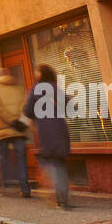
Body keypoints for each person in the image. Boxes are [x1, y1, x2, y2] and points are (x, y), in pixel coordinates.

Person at [23, 63, 72, 209]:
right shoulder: (55, 88)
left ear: (41, 74)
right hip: (61, 128)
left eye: (37, 72)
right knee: (60, 162)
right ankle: (63, 196)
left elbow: (27, 110)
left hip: (46, 129)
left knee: (50, 163)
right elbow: (70, 105)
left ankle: (60, 196)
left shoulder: (36, 90)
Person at [0, 67, 31, 198]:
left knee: (3, 158)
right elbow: (25, 106)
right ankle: (25, 188)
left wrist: (11, 121)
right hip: (19, 130)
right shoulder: (18, 88)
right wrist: (21, 123)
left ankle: (3, 186)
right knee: (22, 159)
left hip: (3, 129)